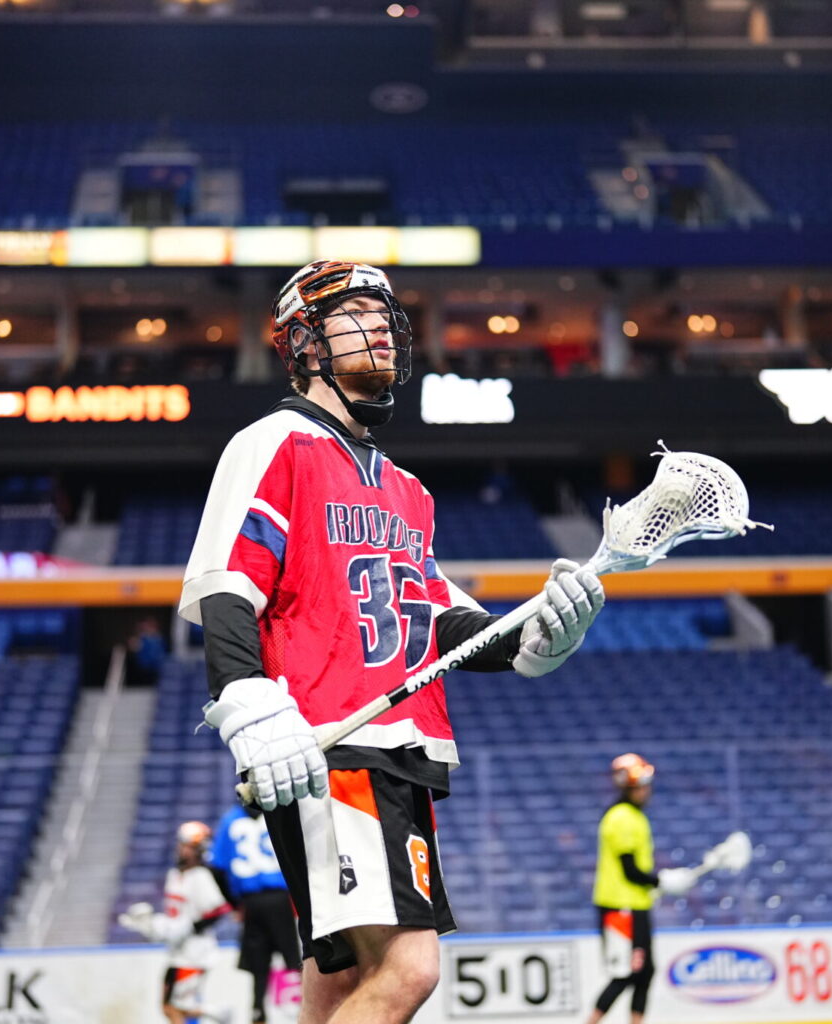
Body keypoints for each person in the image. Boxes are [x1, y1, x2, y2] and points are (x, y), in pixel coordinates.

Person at [180, 259, 606, 1024]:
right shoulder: (276, 441)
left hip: (399, 751)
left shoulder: (407, 490)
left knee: (339, 984)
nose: (381, 325)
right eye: (355, 314)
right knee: (409, 967)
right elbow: (227, 584)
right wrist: (246, 701)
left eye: (386, 316)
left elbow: (442, 622)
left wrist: (542, 633)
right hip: (334, 743)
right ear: (306, 343)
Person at [585, 753, 695, 1024]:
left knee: (644, 972)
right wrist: (662, 882)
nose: (646, 791)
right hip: (620, 908)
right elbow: (630, 870)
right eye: (640, 786)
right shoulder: (621, 818)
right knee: (625, 973)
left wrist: (655, 885)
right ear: (628, 787)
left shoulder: (633, 817)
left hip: (635, 905)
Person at [118, 820, 236, 1024]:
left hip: (195, 952)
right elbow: (174, 914)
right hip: (177, 952)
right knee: (167, 1007)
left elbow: (217, 910)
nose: (182, 850)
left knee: (177, 1007)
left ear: (199, 849)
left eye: (188, 846)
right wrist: (152, 924)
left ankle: (217, 1013)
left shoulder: (200, 876)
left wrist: (189, 928)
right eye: (181, 845)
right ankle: (216, 1013)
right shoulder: (174, 875)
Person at [212, 801, 302, 1024]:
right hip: (281, 899)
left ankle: (258, 1013)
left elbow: (217, 867)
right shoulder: (278, 811)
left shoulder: (230, 819)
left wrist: (234, 903)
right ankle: (306, 1010)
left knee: (259, 967)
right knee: (295, 961)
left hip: (250, 902)